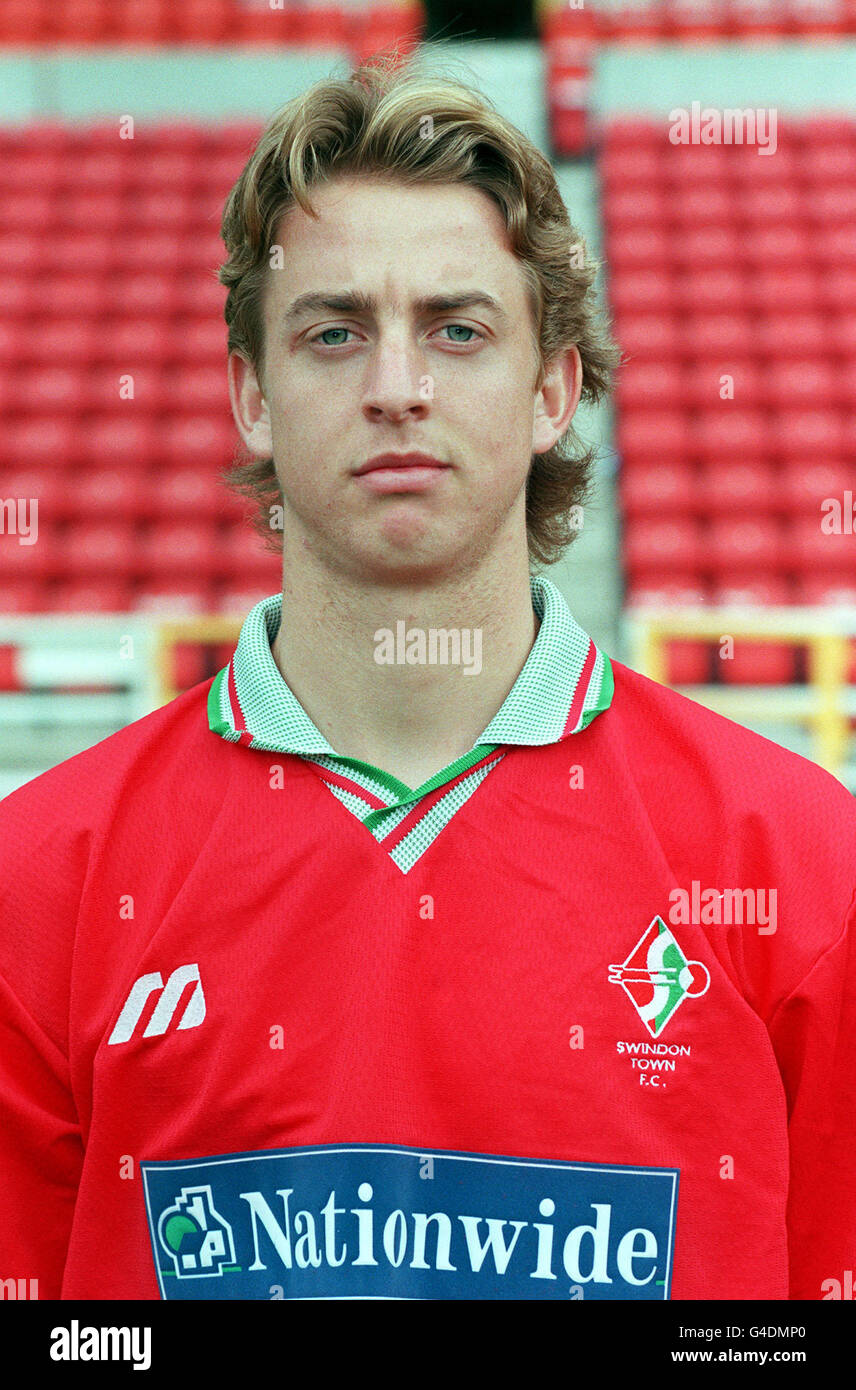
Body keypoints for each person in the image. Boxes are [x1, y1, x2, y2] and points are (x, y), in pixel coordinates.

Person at [0, 56, 854, 1303]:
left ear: (552, 389)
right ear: (252, 393)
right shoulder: (43, 882)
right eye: (334, 331)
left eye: (457, 330)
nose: (396, 388)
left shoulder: (793, 861)